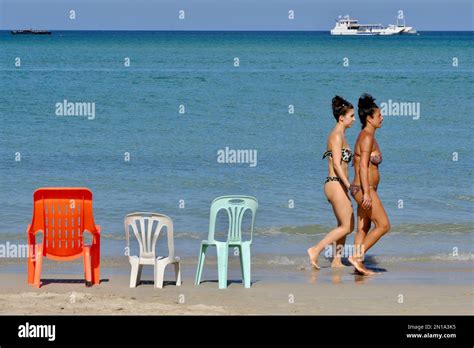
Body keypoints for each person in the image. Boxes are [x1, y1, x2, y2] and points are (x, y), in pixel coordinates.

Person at [307, 96, 355, 269]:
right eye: (351, 116)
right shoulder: (335, 135)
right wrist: (349, 186)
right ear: (342, 118)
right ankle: (315, 250)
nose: (354, 119)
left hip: (339, 185)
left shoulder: (342, 135)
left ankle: (336, 260)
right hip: (335, 183)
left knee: (344, 224)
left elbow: (344, 161)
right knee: (348, 225)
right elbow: (336, 163)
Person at [348, 93, 391, 275]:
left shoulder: (368, 136)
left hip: (362, 188)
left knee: (363, 228)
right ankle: (356, 257)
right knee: (383, 225)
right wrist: (366, 193)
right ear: (369, 118)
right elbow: (363, 168)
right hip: (364, 189)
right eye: (378, 115)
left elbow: (369, 159)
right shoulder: (366, 137)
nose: (382, 117)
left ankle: (358, 266)